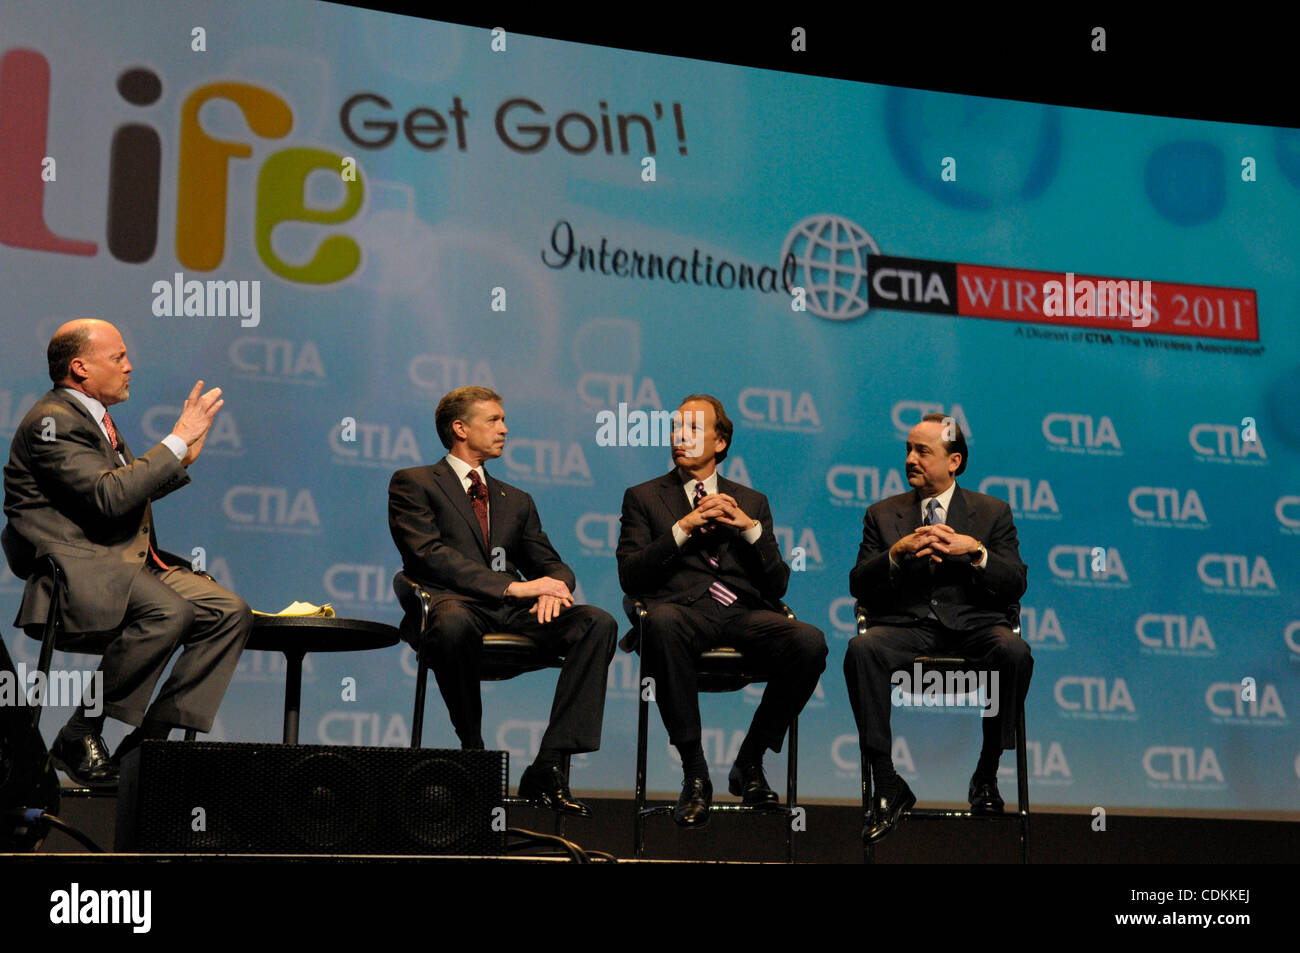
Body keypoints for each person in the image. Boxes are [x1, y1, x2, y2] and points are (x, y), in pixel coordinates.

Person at [3, 319, 253, 787]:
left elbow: (119, 493)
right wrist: (175, 441)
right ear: (79, 367)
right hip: (81, 571)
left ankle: (149, 747)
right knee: (169, 611)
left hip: (122, 563)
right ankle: (81, 730)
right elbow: (109, 497)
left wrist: (178, 462)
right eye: (117, 357)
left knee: (228, 611)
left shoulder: (91, 418)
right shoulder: (51, 423)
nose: (129, 366)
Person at [388, 386, 616, 816]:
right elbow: (428, 555)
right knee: (452, 622)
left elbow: (551, 563)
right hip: (453, 605)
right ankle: (474, 750)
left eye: (503, 420)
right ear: (460, 428)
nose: (505, 428)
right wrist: (512, 587)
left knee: (596, 622)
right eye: (493, 419)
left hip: (512, 615)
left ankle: (549, 765)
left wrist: (554, 587)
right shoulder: (414, 482)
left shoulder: (517, 499)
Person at [616, 394, 827, 827]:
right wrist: (683, 527)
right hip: (681, 612)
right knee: (661, 622)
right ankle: (694, 771)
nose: (679, 436)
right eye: (675, 428)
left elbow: (776, 584)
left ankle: (750, 760)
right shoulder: (643, 497)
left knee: (809, 641)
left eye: (692, 429)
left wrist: (749, 530)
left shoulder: (752, 500)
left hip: (743, 615)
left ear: (720, 443)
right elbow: (632, 577)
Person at [846, 412, 1031, 842]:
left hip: (975, 628)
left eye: (922, 451)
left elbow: (1016, 583)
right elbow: (858, 583)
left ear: (954, 461)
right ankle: (887, 782)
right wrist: (896, 553)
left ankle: (986, 771)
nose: (911, 458)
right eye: (908, 450)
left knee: (1014, 652)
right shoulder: (882, 514)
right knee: (862, 649)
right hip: (909, 627)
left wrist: (978, 551)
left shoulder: (991, 512)